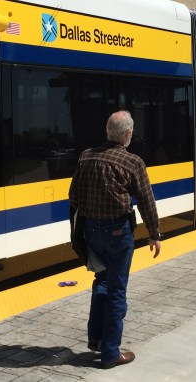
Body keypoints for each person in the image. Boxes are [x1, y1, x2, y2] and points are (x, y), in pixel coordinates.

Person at [68, 110, 162, 369]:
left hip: (91, 232)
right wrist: (154, 234)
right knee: (117, 289)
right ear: (128, 134)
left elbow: (73, 195)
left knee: (101, 280)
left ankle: (96, 338)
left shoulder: (86, 157)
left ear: (108, 132)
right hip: (118, 233)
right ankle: (110, 352)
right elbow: (146, 200)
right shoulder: (133, 162)